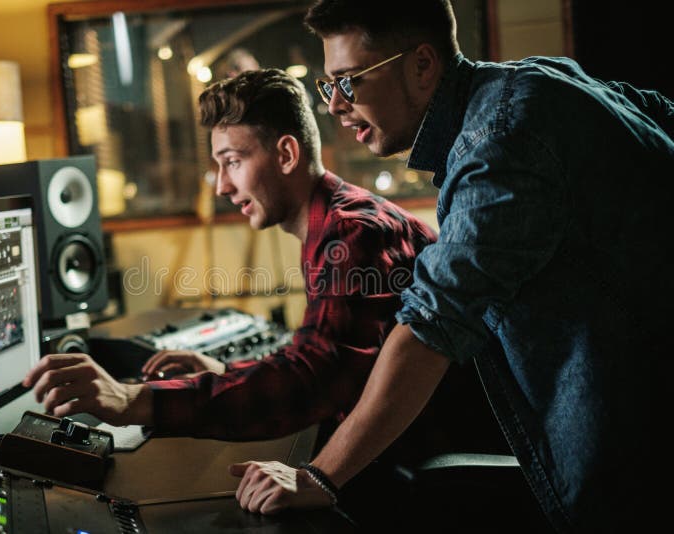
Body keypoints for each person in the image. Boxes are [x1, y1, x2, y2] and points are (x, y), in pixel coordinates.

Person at [230, 1, 672, 532]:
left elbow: (431, 327)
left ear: (422, 64)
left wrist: (320, 477)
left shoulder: (500, 142)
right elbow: (659, 113)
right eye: (329, 87)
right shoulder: (530, 83)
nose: (335, 107)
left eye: (349, 82)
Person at [23, 69, 438, 447]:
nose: (222, 185)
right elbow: (330, 358)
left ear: (287, 155)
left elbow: (312, 382)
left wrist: (135, 399)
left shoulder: (349, 234)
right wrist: (226, 372)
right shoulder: (340, 219)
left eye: (233, 162)